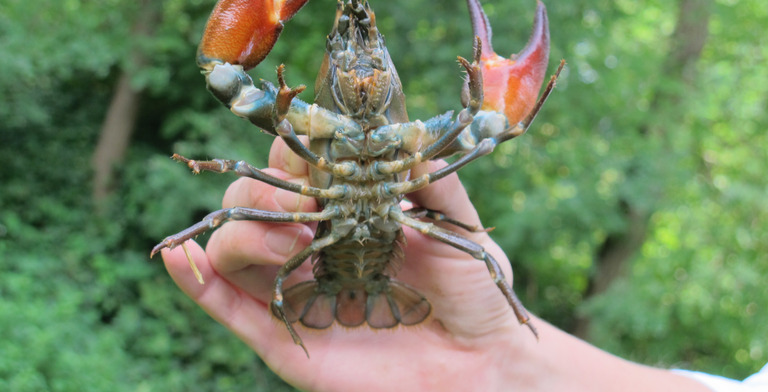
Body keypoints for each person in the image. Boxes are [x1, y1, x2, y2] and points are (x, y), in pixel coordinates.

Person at [159, 138, 765, 392]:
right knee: (251, 190)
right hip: (332, 269)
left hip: (371, 273)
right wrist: (499, 361)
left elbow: (488, 132)